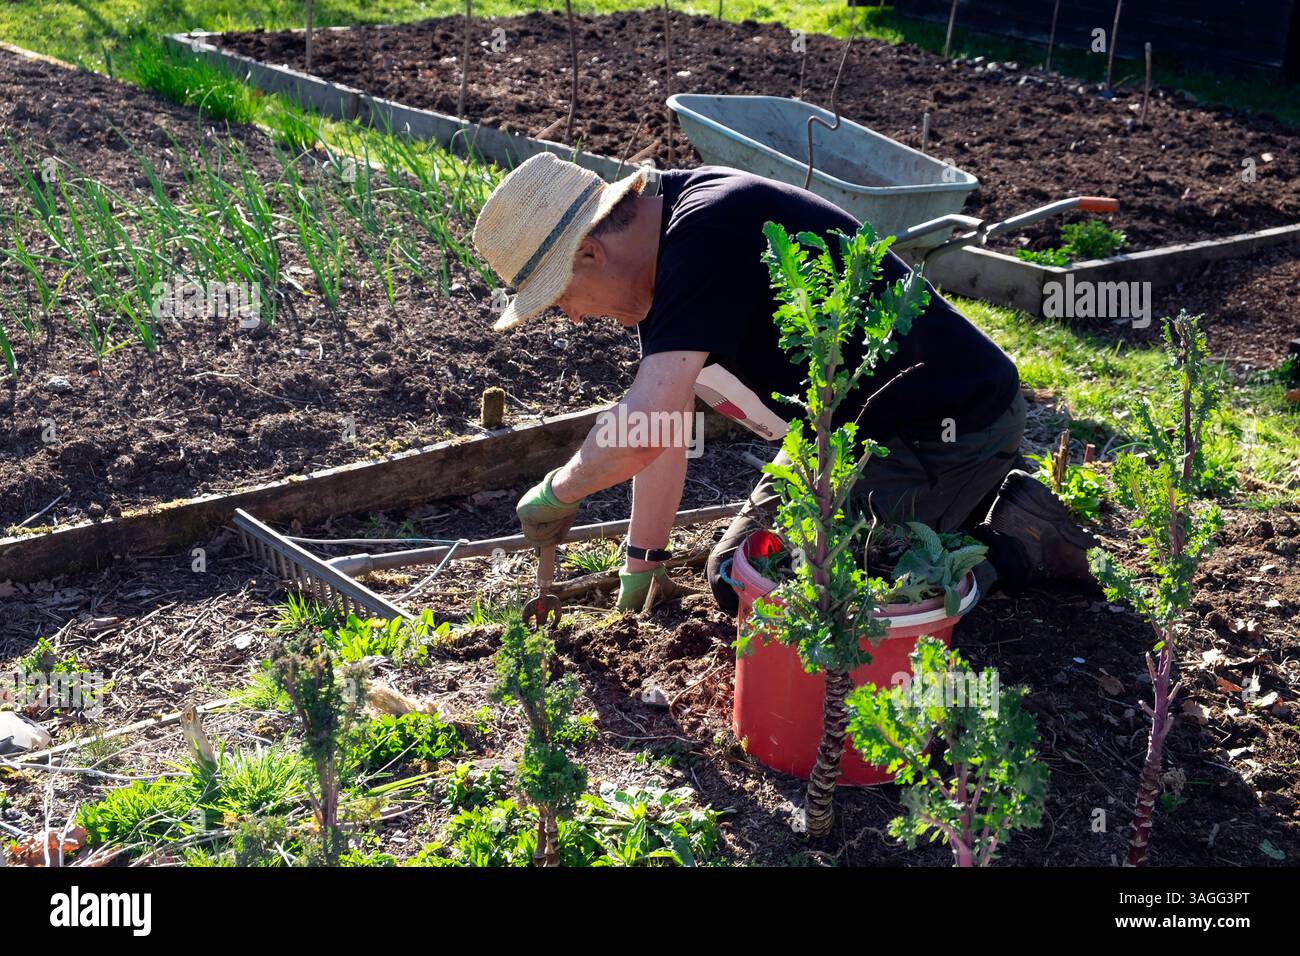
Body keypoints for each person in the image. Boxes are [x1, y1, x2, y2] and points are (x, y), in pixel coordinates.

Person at [471, 152, 1095, 613]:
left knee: (828, 604)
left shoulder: (706, 232)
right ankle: (947, 512)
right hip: (847, 439)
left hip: (945, 426)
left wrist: (559, 490)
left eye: (562, 300)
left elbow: (641, 427)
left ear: (590, 254)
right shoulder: (667, 256)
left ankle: (1015, 540)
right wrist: (644, 565)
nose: (574, 317)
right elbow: (664, 420)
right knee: (738, 579)